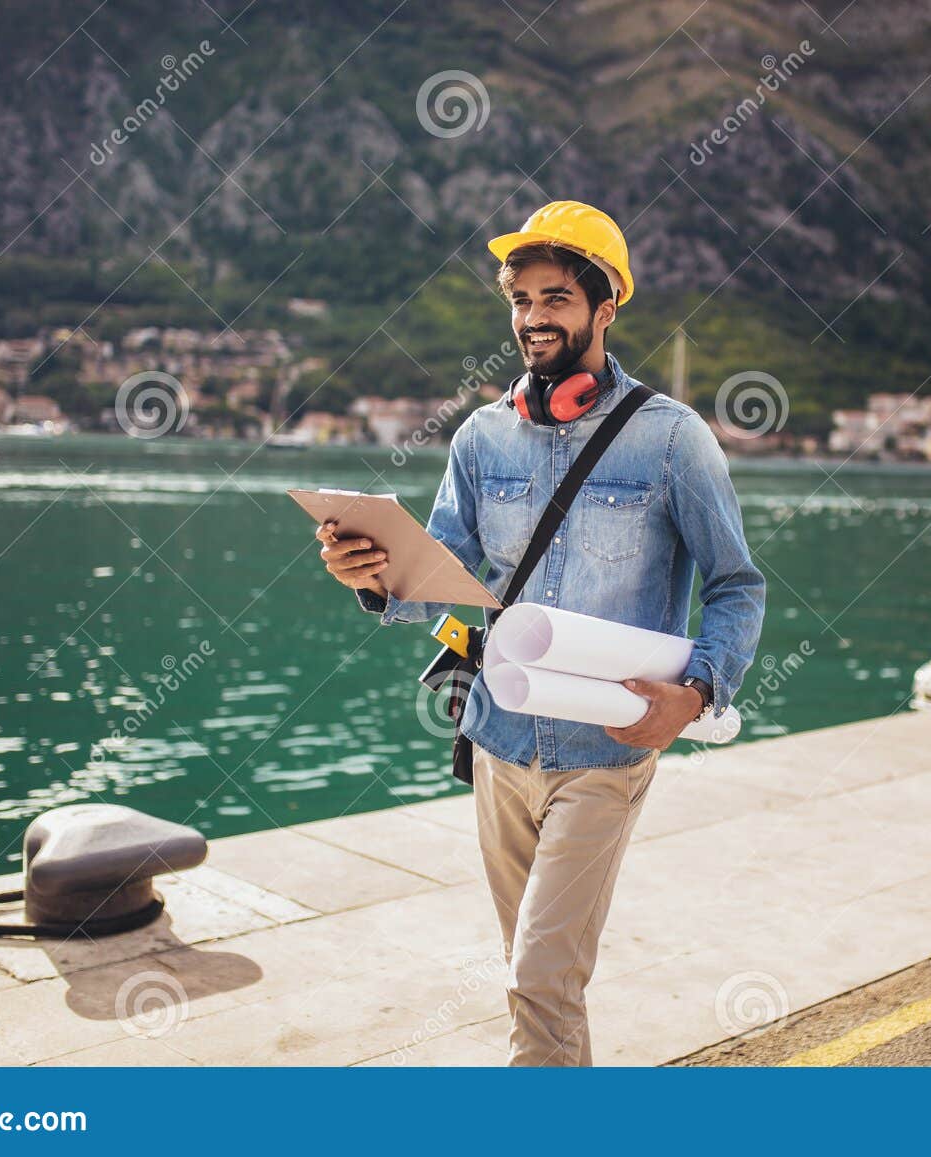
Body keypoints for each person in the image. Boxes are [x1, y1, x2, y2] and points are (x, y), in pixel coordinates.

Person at [315, 200, 765, 1066]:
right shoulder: (481, 439)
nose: (532, 319)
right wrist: (375, 579)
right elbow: (444, 587)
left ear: (607, 307)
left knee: (539, 980)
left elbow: (738, 585)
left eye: (555, 298)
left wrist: (699, 693)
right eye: (521, 300)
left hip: (607, 750)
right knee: (541, 980)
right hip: (495, 742)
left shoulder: (674, 440)